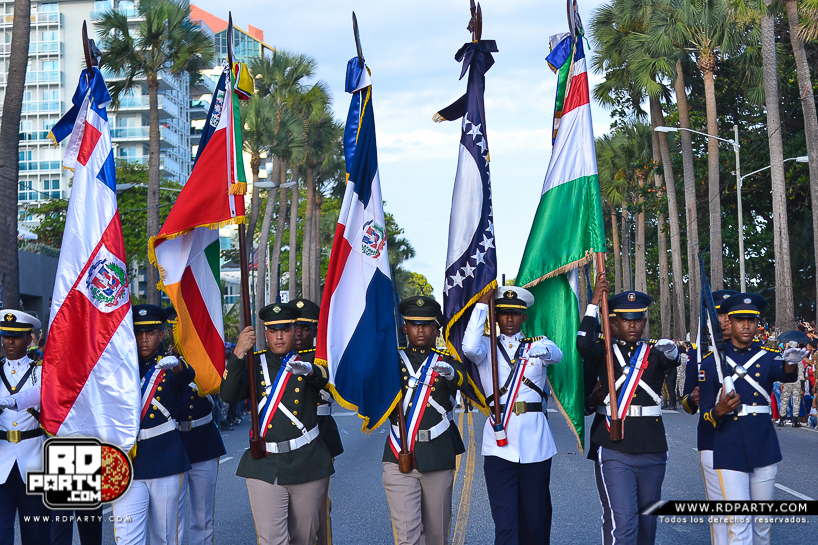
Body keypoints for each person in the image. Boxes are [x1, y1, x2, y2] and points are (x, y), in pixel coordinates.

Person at [576, 281, 680, 545]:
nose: (632, 325)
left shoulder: (655, 353)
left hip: (652, 446)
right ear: (615, 322)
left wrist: (673, 349)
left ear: (644, 322)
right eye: (625, 320)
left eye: (637, 320)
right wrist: (593, 304)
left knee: (647, 524)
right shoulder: (604, 352)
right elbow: (583, 344)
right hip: (614, 447)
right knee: (623, 522)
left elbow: (673, 358)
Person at [221, 303, 333, 545]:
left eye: (285, 330)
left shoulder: (310, 360)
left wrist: (310, 370)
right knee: (272, 540)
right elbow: (229, 396)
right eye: (273, 331)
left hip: (307, 461)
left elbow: (325, 379)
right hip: (265, 463)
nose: (279, 336)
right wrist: (239, 353)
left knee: (303, 538)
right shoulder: (254, 364)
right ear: (265, 333)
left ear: (294, 330)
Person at [699, 293, 803, 545]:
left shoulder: (767, 357)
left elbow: (784, 374)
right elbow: (704, 413)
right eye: (739, 320)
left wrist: (790, 363)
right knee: (739, 524)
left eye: (751, 320)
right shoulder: (714, 362)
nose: (746, 326)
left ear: (758, 324)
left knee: (762, 525)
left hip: (763, 444)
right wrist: (720, 410)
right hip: (729, 445)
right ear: (729, 323)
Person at [463, 286, 563, 545]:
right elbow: (469, 347)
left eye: (515, 314)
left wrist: (541, 351)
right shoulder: (486, 347)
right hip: (499, 444)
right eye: (504, 313)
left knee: (535, 518)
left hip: (535, 443)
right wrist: (482, 306)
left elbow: (557, 354)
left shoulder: (539, 344)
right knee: (505, 521)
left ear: (524, 318)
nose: (509, 319)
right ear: (496, 317)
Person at [382, 296, 466, 545]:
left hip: (438, 453)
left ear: (436, 329)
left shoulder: (447, 361)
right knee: (407, 537)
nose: (420, 329)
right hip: (399, 454)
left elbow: (463, 379)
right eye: (414, 324)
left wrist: (451, 374)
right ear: (404, 327)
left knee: (437, 535)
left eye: (427, 324)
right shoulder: (390, 362)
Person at [113, 305, 194, 545]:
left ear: (161, 334)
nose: (144, 339)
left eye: (150, 333)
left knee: (166, 536)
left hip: (165, 459)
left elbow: (186, 377)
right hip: (127, 461)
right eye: (138, 333)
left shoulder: (168, 366)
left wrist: (176, 365)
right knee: (127, 538)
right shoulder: (119, 368)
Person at [164, 307, 227, 545]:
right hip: (174, 444)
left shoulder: (206, 359)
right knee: (174, 518)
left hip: (203, 441)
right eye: (172, 327)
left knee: (203, 517)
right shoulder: (163, 360)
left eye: (179, 326)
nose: (175, 331)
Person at [678, 289, 736, 545]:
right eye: (718, 315)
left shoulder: (754, 354)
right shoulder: (698, 357)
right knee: (721, 511)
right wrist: (693, 400)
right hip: (711, 439)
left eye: (727, 315)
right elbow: (687, 404)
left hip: (748, 439)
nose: (723, 320)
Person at [287, 297, 342, 545]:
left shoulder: (325, 359)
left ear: (315, 330)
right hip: (282, 438)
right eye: (294, 328)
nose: (298, 334)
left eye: (305, 328)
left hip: (318, 437)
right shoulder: (275, 359)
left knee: (319, 509)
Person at [0, 310, 49, 545]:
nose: (9, 342)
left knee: (36, 535)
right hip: (2, 463)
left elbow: (43, 395)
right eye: (6, 336)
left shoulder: (41, 370)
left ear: (29, 339)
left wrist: (15, 400)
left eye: (16, 337)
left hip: (34, 463)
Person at [778, 340, 806, 428]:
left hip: (787, 381)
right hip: (796, 381)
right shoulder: (799, 359)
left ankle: (782, 419)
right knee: (796, 400)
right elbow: (801, 373)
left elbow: (783, 371)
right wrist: (802, 386)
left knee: (784, 400)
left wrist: (782, 382)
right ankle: (795, 420)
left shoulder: (786, 358)